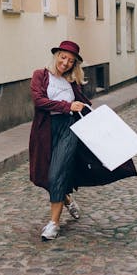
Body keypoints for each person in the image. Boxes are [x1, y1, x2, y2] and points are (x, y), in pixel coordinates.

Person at [28, 40, 90, 241]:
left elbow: (83, 105)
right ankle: (67, 199)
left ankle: (53, 224)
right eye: (63, 57)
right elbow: (39, 102)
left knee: (57, 173)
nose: (65, 63)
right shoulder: (40, 76)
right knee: (45, 175)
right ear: (56, 56)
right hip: (45, 130)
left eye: (71, 61)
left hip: (68, 130)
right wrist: (67, 106)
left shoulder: (72, 82)